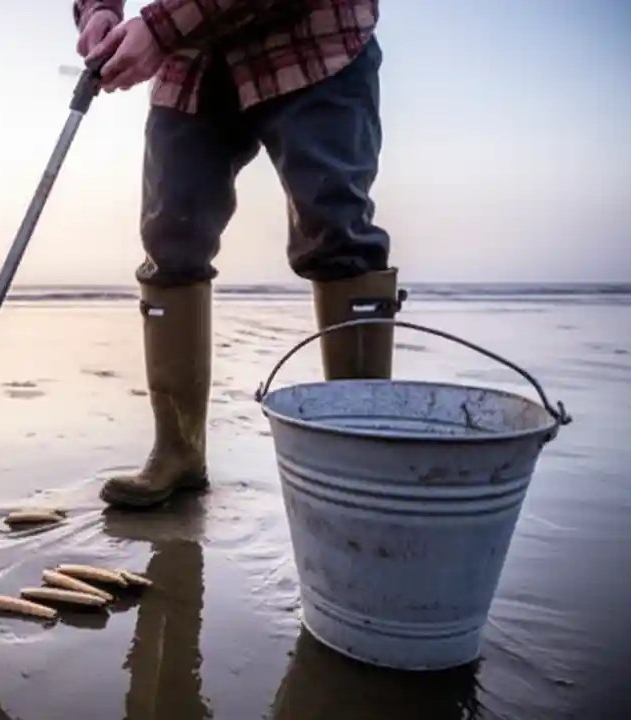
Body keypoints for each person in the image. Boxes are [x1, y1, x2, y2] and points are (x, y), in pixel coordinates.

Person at [72, 0, 402, 508]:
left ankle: (362, 454)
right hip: (195, 62)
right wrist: (99, 10)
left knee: (337, 233)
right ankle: (178, 452)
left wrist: (160, 28)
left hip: (312, 39)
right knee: (169, 237)